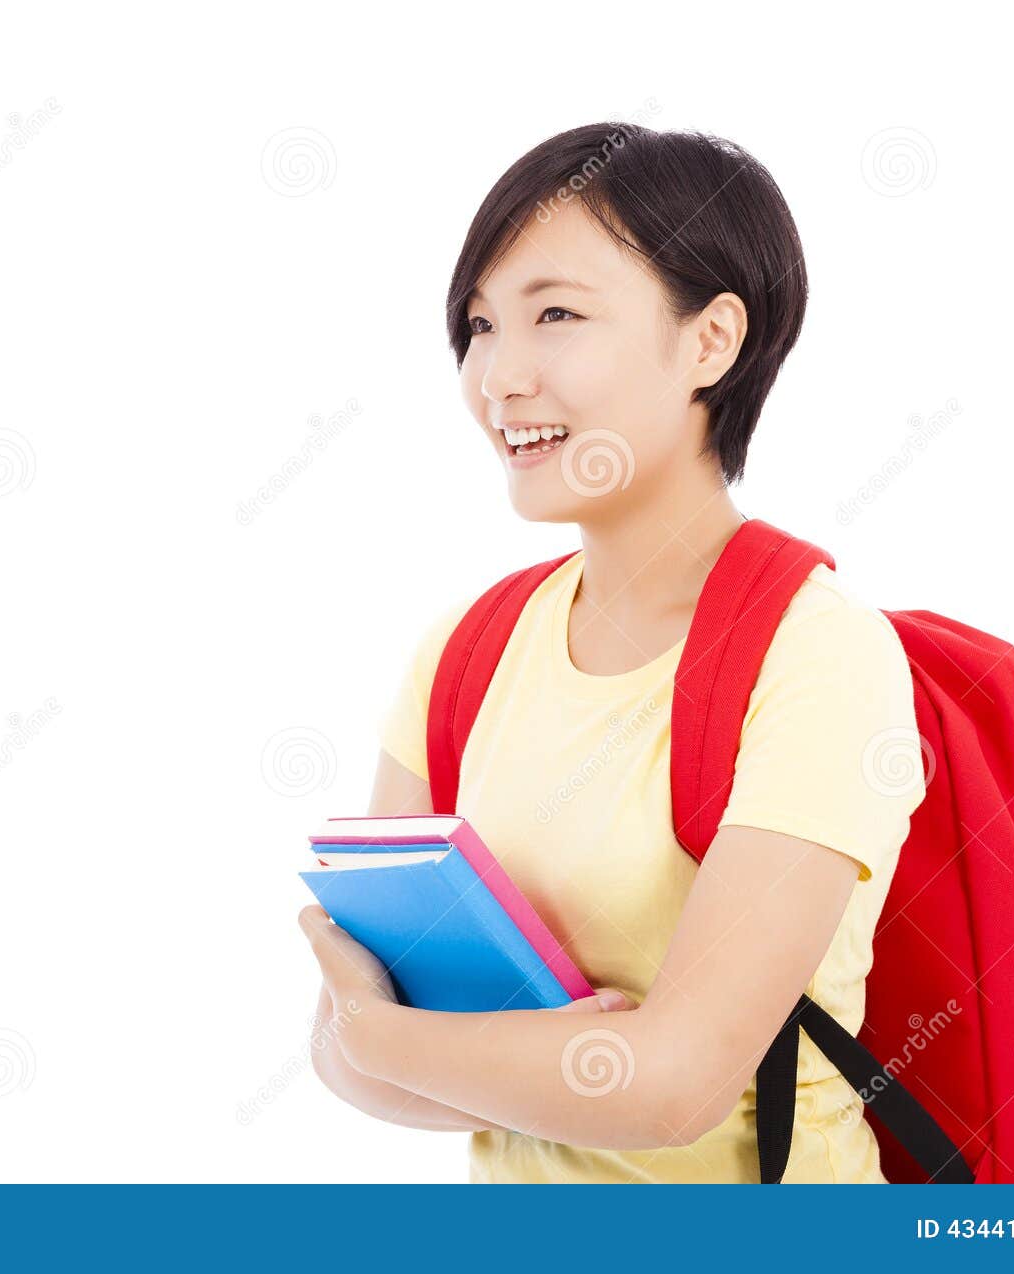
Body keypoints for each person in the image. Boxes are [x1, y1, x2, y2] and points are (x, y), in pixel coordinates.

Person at [299, 122, 925, 1183]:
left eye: (556, 315)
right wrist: (431, 1048)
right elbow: (338, 1053)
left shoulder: (819, 655)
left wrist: (385, 1034)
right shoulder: (463, 651)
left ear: (711, 342)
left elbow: (671, 1088)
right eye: (479, 324)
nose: (499, 376)